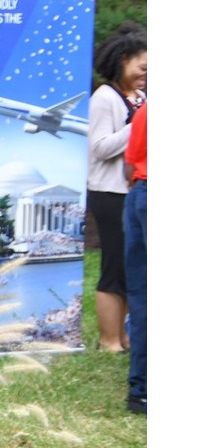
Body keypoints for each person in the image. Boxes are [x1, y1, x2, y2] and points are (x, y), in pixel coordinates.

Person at [87, 30, 147, 352]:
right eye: (142, 67)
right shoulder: (104, 98)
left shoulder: (142, 99)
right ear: (123, 61)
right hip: (109, 194)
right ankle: (109, 340)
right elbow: (99, 149)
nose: (147, 74)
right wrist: (135, 125)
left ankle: (124, 337)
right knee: (113, 266)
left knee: (130, 266)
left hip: (135, 192)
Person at [124, 97, 147, 414]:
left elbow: (130, 161)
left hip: (140, 194)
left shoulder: (146, 110)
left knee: (142, 295)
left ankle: (141, 390)